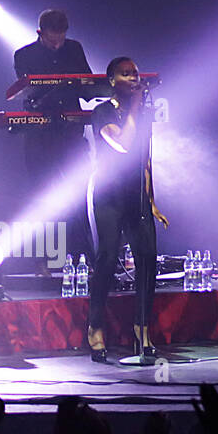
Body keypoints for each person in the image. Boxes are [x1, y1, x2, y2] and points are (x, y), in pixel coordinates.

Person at [86, 57, 168, 364]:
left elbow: (145, 161)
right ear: (112, 81)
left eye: (135, 73)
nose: (134, 78)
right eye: (126, 74)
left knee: (146, 258)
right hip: (108, 195)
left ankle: (141, 326)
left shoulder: (143, 115)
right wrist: (134, 109)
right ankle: (95, 326)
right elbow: (122, 143)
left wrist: (153, 201)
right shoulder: (102, 112)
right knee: (107, 258)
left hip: (136, 196)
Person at [13, 9, 94, 263]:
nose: (58, 44)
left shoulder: (74, 49)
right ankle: (42, 263)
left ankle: (86, 260)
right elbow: (29, 92)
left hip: (71, 134)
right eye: (52, 39)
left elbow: (88, 83)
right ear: (40, 33)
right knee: (42, 198)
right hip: (41, 137)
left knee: (79, 198)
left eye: (61, 38)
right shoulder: (24, 55)